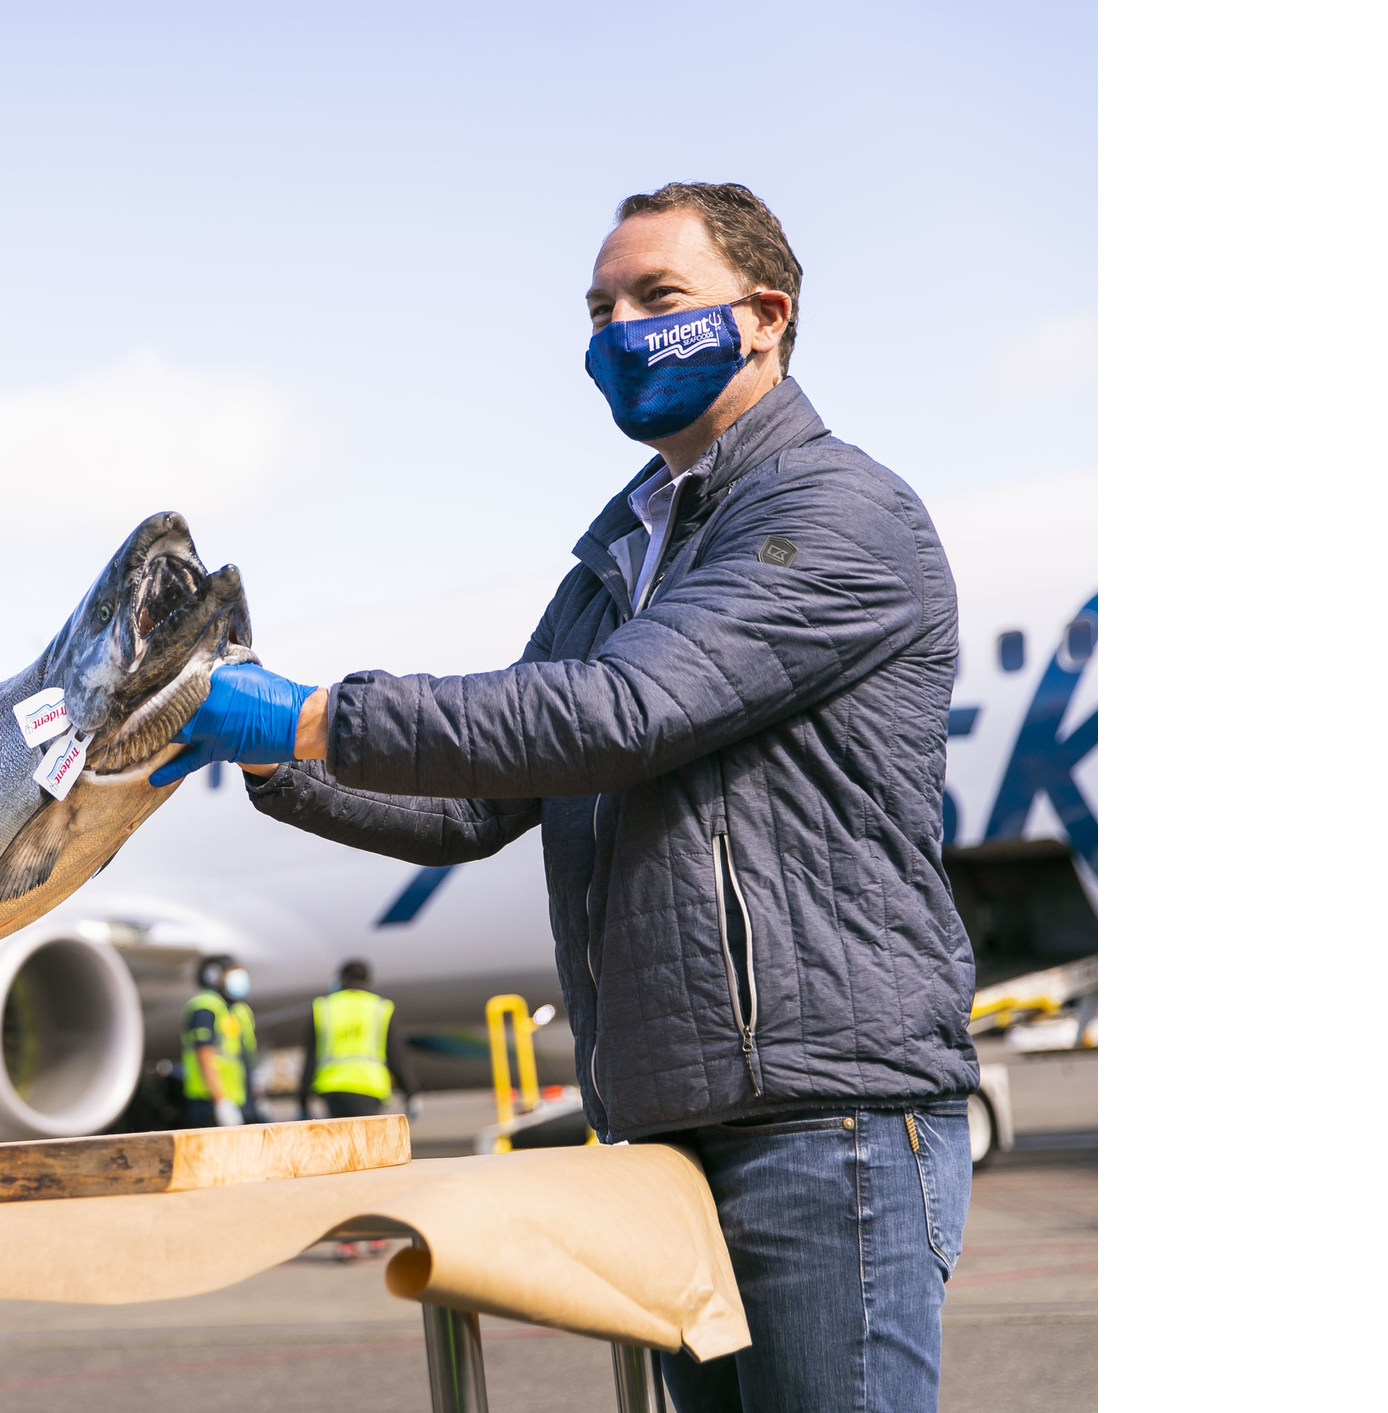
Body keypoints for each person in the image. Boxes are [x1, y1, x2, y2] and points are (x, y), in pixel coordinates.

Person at [156, 182, 977, 1412]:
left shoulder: (835, 510)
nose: (619, 330)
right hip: (666, 1130)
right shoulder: (620, 558)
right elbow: (474, 809)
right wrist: (274, 761)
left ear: (765, 315)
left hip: (824, 1123)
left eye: (659, 297)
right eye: (599, 307)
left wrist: (312, 710)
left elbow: (618, 713)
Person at [304, 960, 417, 1122]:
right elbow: (396, 1055)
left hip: (333, 1087)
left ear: (341, 978)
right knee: (364, 1142)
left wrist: (302, 1099)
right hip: (369, 1086)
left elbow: (310, 1057)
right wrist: (410, 1092)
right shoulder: (381, 1008)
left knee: (339, 1142)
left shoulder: (323, 1007)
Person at [180, 956, 255, 1126]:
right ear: (213, 977)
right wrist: (221, 1101)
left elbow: (243, 1058)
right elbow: (205, 1055)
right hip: (210, 1103)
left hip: (238, 1099)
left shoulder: (237, 1010)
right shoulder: (204, 1008)